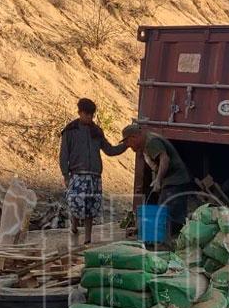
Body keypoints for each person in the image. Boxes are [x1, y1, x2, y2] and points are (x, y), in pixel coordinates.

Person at [59, 98, 127, 244]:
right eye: (86, 114)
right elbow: (64, 155)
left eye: (91, 115)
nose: (89, 117)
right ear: (79, 113)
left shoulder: (97, 131)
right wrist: (65, 175)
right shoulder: (70, 131)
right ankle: (74, 226)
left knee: (90, 207)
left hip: (94, 176)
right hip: (77, 174)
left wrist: (126, 145)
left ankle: (87, 239)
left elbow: (109, 150)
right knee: (75, 203)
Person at [121, 124, 192, 242]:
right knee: (169, 212)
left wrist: (158, 180)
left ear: (134, 137)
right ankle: (168, 239)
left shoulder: (151, 142)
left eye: (128, 142)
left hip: (175, 180)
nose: (128, 146)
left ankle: (166, 242)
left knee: (166, 212)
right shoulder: (147, 143)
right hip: (173, 180)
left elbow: (164, 159)